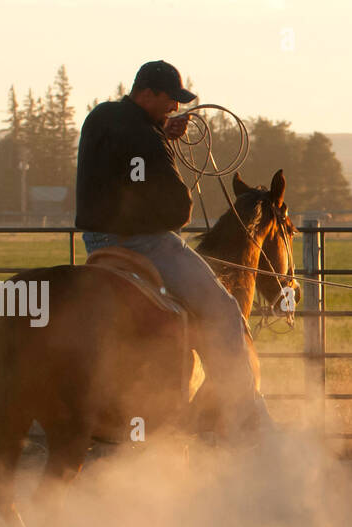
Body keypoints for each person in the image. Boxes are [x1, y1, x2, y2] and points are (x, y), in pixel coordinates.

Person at [74, 59, 269, 439]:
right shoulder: (147, 138)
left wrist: (160, 130)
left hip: (97, 242)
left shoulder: (101, 117)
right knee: (223, 310)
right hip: (144, 243)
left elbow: (124, 153)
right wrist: (160, 139)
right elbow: (179, 211)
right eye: (169, 101)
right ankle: (245, 415)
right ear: (145, 93)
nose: (175, 108)